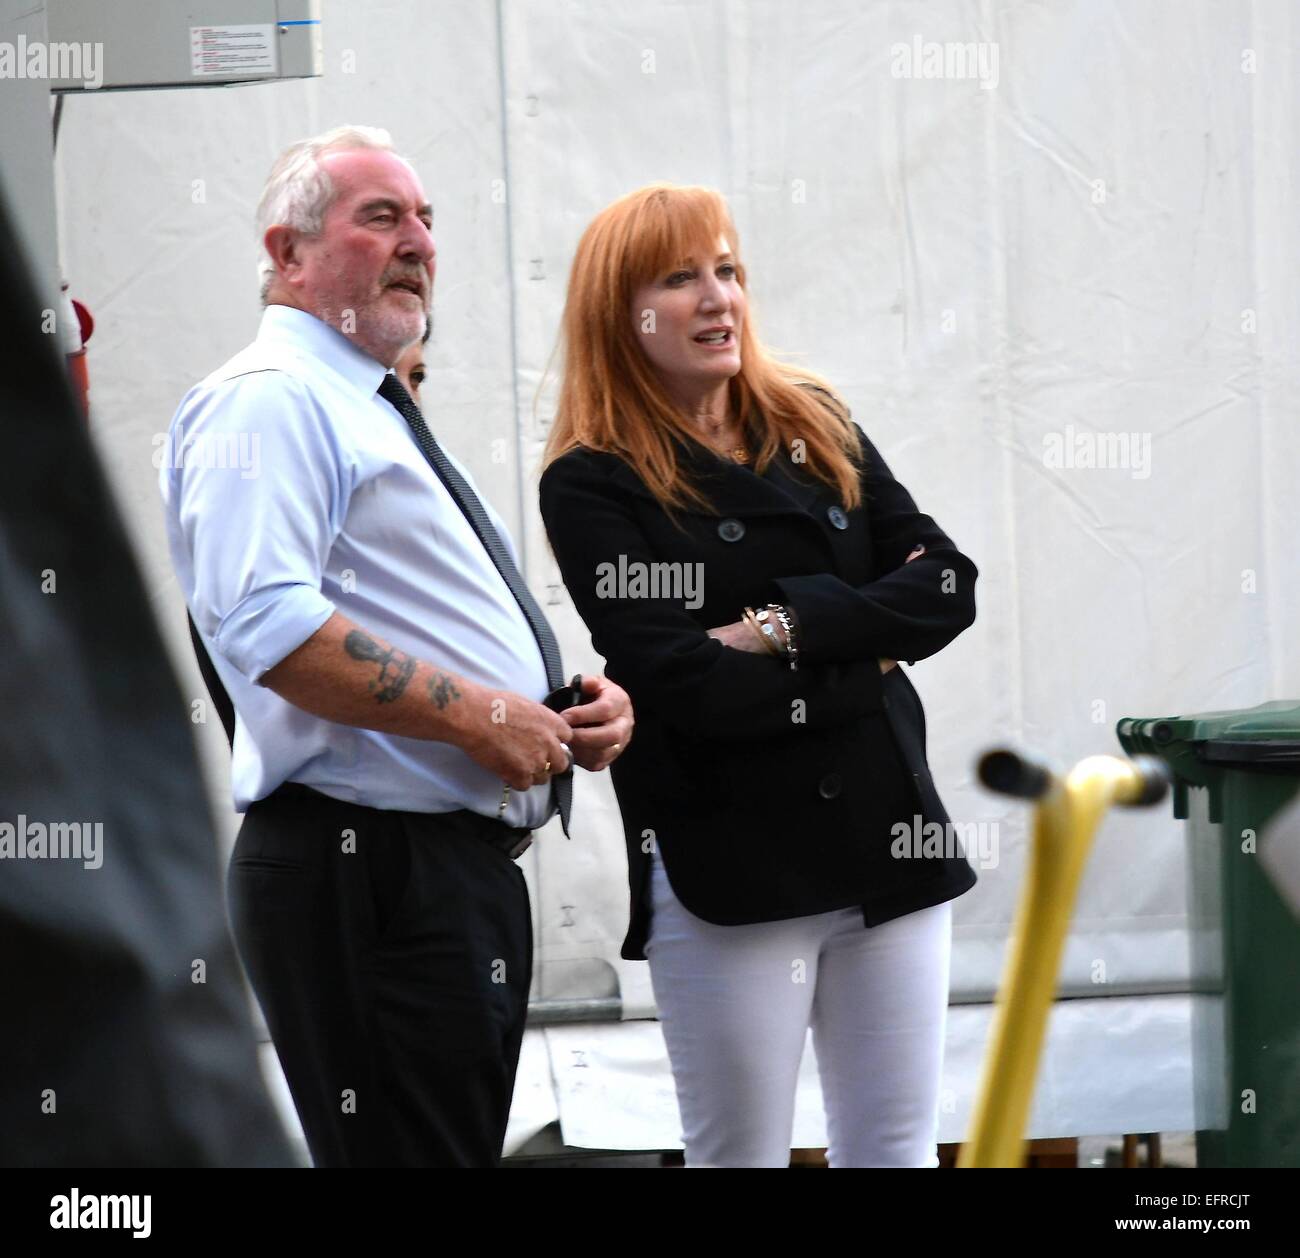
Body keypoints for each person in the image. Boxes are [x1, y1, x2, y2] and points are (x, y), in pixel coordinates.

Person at [159, 125, 632, 1168]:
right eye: (382, 217)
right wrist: (478, 714)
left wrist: (559, 702)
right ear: (287, 253)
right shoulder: (274, 397)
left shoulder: (360, 400)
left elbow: (412, 613)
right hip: (367, 867)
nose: (419, 240)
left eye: (426, 219)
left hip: (429, 871)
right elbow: (265, 621)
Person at [538, 183, 978, 1168]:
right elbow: (680, 680)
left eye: (727, 270)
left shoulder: (812, 420)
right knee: (738, 1154)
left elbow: (948, 585)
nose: (716, 297)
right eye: (679, 277)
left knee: (896, 1149)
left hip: (888, 844)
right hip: (731, 869)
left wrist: (779, 624)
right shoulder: (592, 478)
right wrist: (867, 649)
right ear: (622, 311)